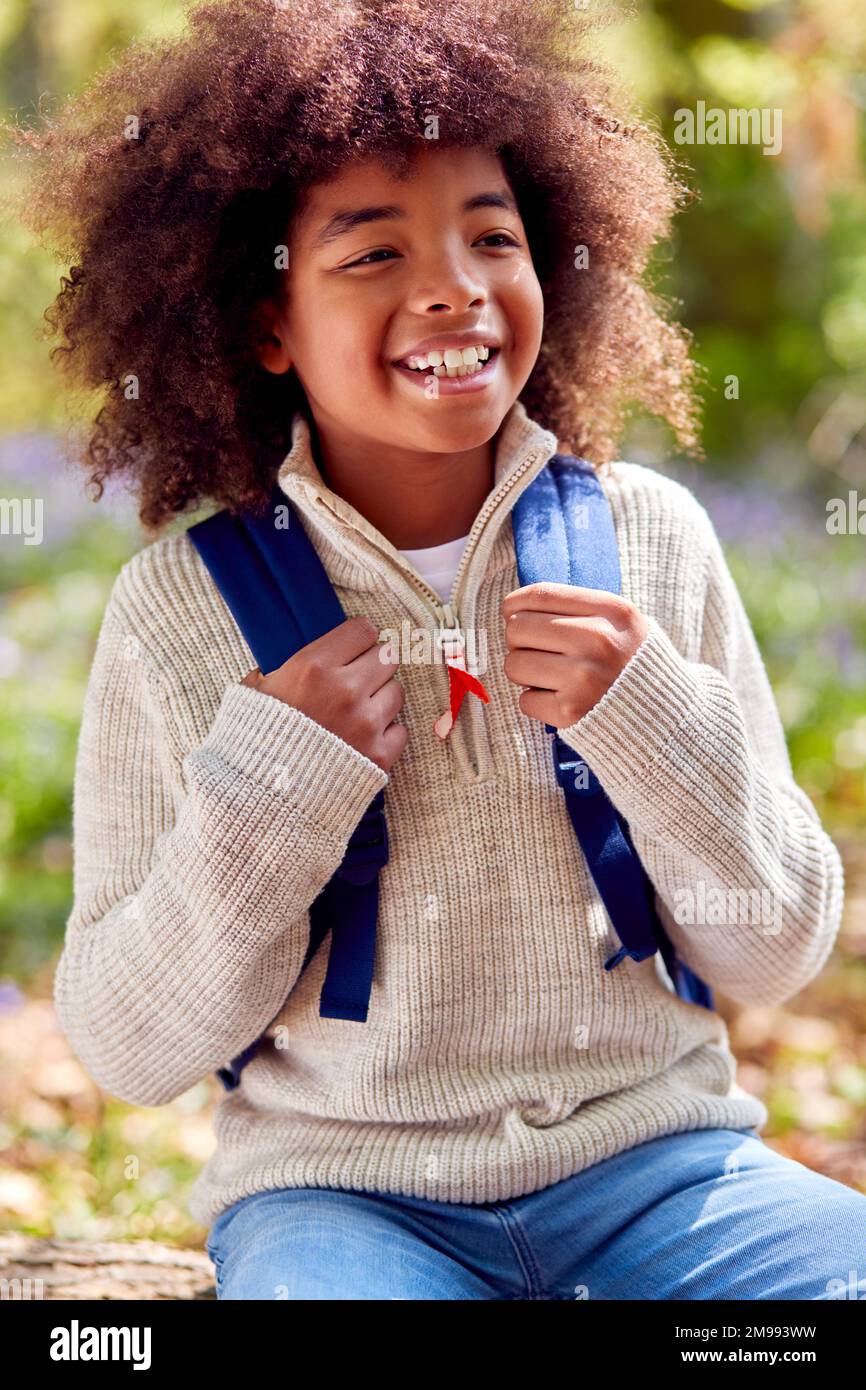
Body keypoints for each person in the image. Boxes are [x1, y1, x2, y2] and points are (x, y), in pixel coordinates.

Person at [17, 0, 865, 1298]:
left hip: (662, 1169)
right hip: (343, 1201)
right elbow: (132, 1042)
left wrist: (647, 715)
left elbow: (776, 946)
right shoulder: (178, 612)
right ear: (266, 324)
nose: (452, 286)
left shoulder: (651, 542)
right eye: (371, 253)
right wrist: (268, 787)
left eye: (491, 237)